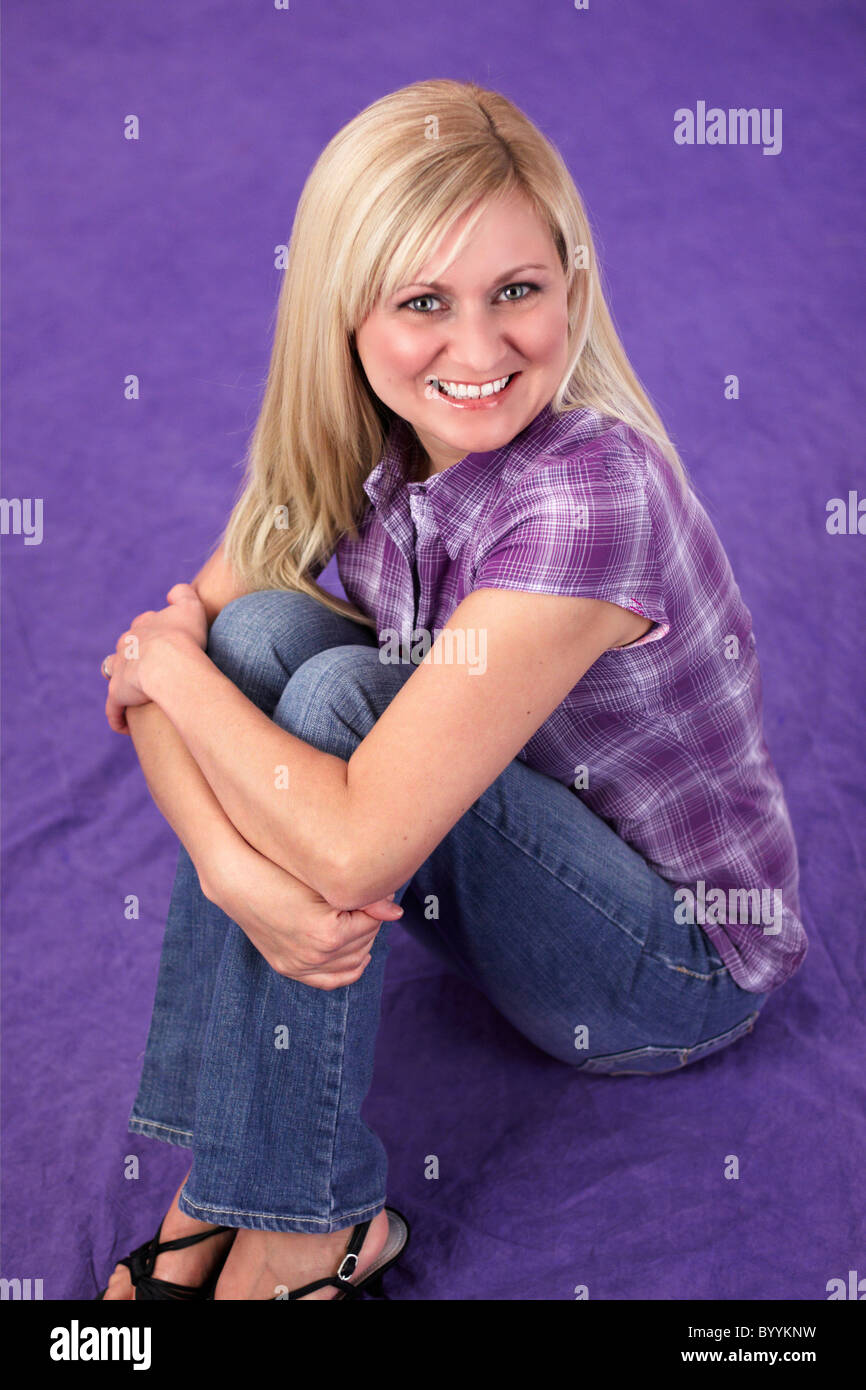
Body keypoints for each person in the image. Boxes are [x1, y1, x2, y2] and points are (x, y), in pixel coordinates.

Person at [96, 78, 806, 1301]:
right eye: (423, 302)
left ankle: (298, 1229)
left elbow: (347, 829)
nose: (477, 352)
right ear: (347, 314)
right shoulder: (356, 442)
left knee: (329, 706)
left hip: (670, 970)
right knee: (264, 631)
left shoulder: (590, 497)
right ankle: (243, 1181)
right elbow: (157, 674)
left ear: (569, 289)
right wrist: (233, 870)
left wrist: (171, 671)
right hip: (508, 864)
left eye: (515, 293)